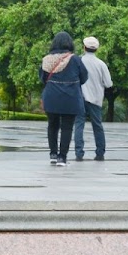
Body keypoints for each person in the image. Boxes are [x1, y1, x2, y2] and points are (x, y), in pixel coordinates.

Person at [40, 31, 88, 166]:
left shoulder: (46, 59)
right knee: (67, 127)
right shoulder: (75, 59)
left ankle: (53, 154)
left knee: (52, 125)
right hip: (70, 97)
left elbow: (43, 78)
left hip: (51, 96)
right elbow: (84, 77)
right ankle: (62, 157)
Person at [73, 36, 113, 161]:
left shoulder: (78, 62)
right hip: (95, 99)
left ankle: (79, 153)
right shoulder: (101, 64)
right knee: (97, 125)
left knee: (79, 124)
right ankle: (100, 153)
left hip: (80, 98)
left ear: (84, 47)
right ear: (96, 49)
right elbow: (108, 83)